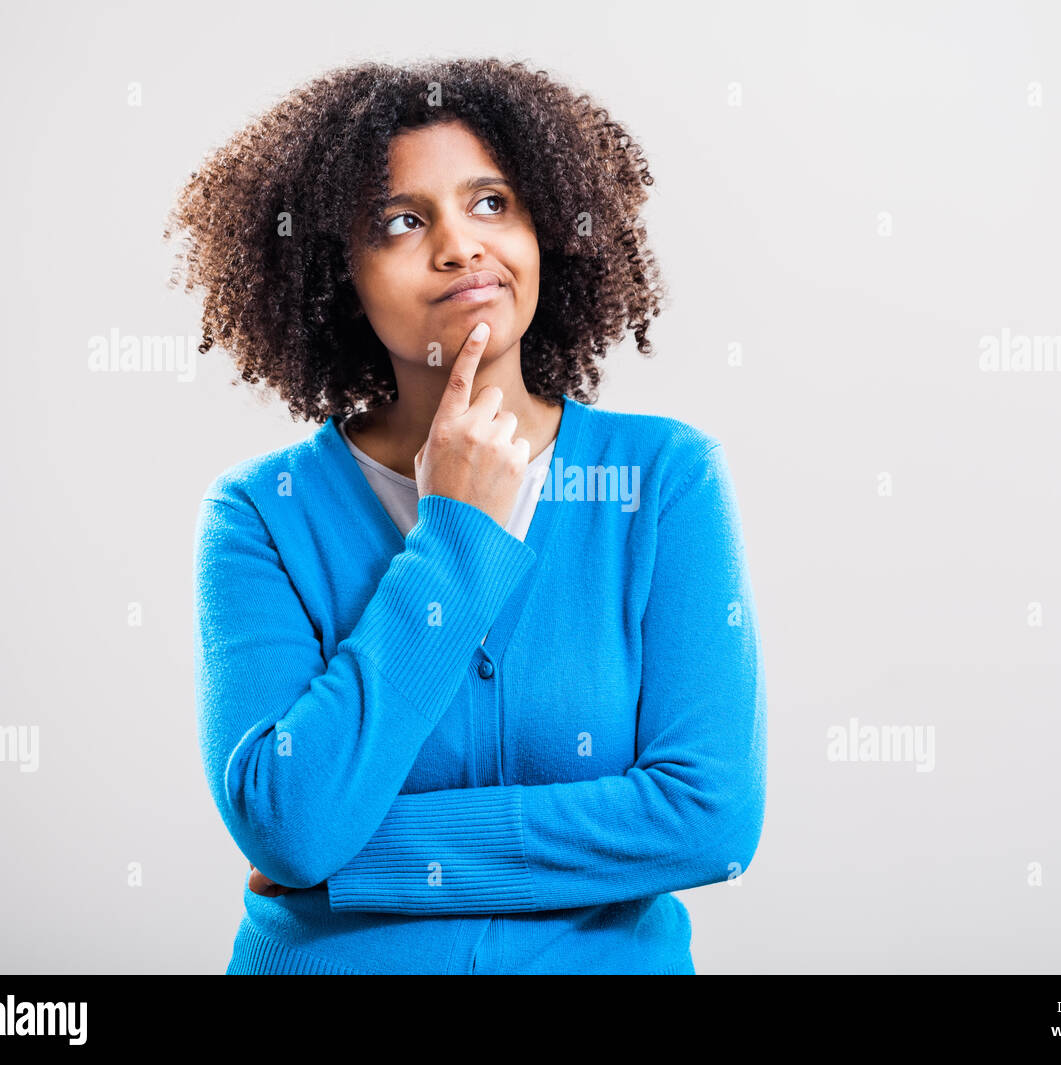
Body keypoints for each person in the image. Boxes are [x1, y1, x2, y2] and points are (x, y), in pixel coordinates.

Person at [170, 56, 766, 975]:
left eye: (492, 203)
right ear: (339, 276)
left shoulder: (663, 478)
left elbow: (708, 817)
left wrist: (347, 864)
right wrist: (457, 536)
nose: (460, 245)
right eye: (403, 222)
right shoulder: (261, 516)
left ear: (543, 231)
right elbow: (289, 821)